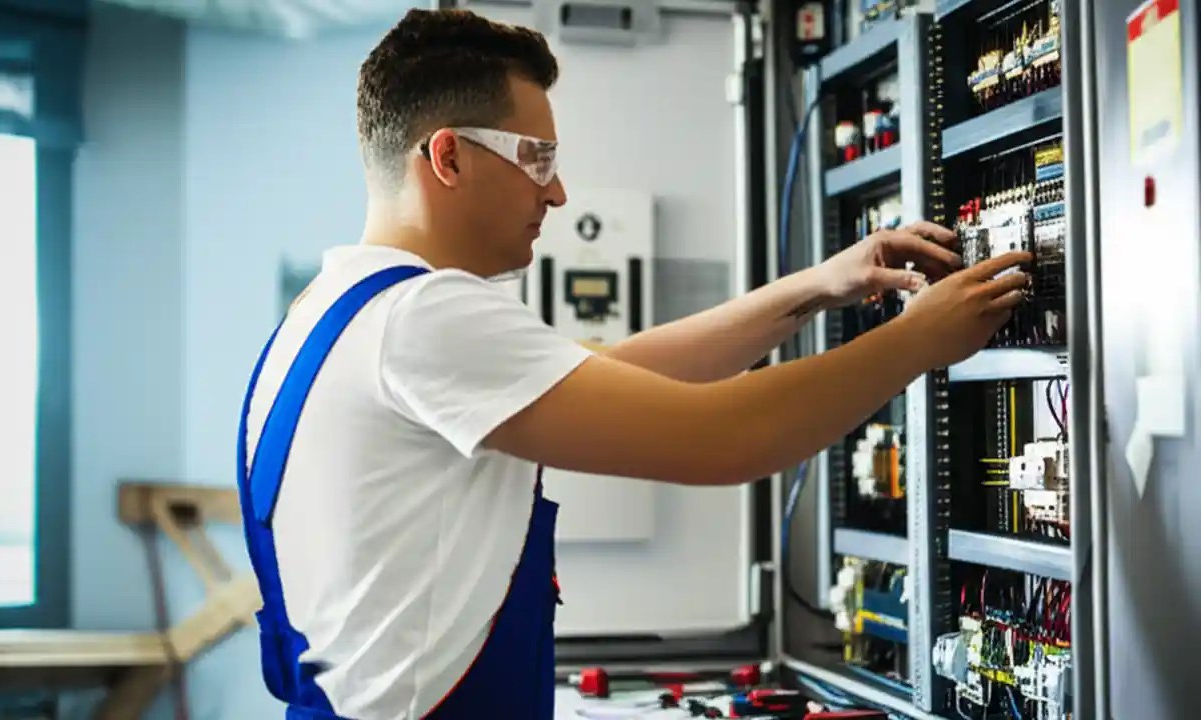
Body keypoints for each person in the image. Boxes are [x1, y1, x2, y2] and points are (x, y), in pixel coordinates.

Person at [235, 8, 1031, 720]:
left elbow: (629, 371)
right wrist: (916, 341)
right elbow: (723, 439)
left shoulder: (330, 314)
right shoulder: (424, 317)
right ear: (447, 157)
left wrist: (822, 286)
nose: (556, 194)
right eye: (537, 158)